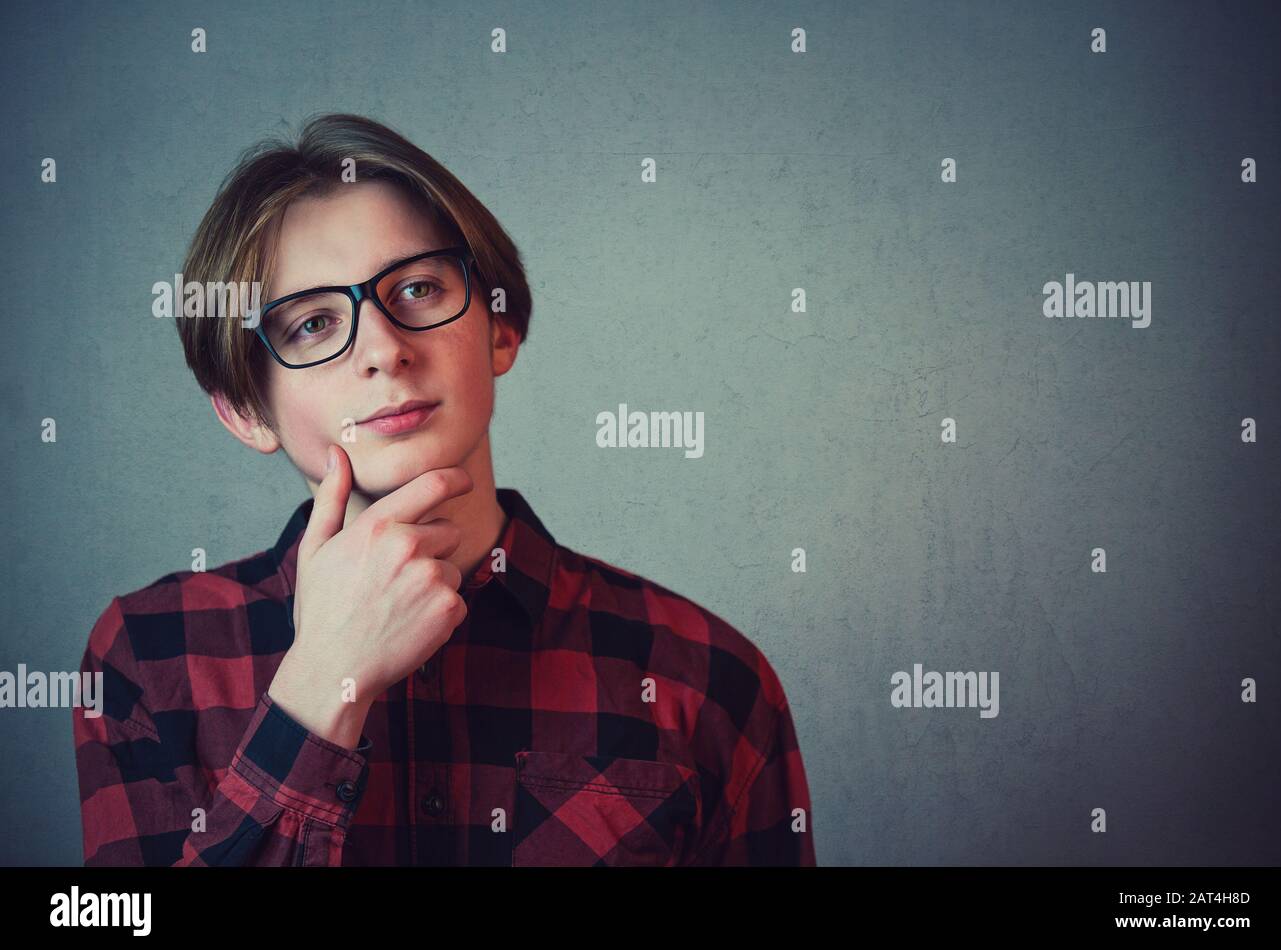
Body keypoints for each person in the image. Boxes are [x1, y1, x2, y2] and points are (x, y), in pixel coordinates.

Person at [72, 113, 815, 866]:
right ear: (246, 410)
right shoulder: (149, 660)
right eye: (312, 325)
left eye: (420, 289)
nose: (385, 349)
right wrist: (324, 683)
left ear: (500, 328)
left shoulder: (709, 677)